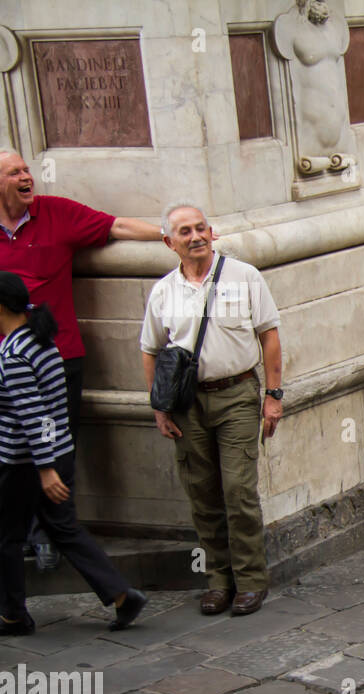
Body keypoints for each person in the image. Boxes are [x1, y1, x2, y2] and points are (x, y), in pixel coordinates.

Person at [0, 150, 163, 568]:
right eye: (14, 172)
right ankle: (17, 535)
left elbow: (118, 225)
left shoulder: (56, 213)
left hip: (57, 359)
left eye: (26, 169)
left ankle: (51, 534)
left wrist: (170, 233)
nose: (26, 176)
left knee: (55, 445)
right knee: (10, 453)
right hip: (5, 363)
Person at [141, 203, 283, 616]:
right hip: (187, 402)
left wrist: (273, 395)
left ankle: (252, 581)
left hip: (237, 394)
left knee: (238, 490)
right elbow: (150, 349)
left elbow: (269, 336)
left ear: (212, 232)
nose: (195, 236)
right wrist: (159, 406)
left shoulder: (244, 276)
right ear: (170, 242)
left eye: (200, 228)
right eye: (184, 231)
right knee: (202, 493)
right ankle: (218, 581)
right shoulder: (164, 290)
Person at [0, 272, 147, 635]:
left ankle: (13, 614)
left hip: (24, 462)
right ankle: (120, 595)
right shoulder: (41, 339)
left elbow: (32, 414)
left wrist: (44, 469)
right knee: (63, 528)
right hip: (57, 450)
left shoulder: (14, 353)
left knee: (6, 536)